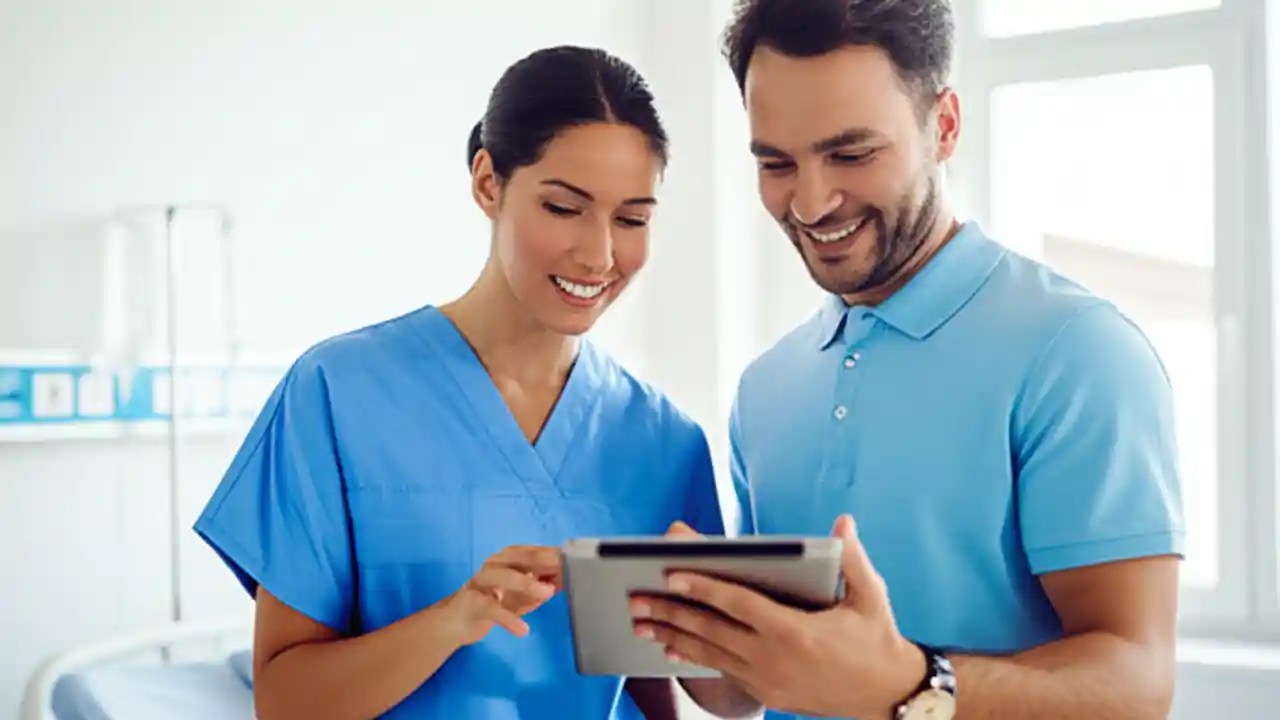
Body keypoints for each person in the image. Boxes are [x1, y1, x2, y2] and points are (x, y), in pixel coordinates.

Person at [630, 2, 1185, 719]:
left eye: (852, 154)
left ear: (943, 126)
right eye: (776, 163)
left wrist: (914, 686)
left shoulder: (1077, 351)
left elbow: (1136, 685)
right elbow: (752, 690)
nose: (810, 201)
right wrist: (694, 631)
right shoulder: (766, 386)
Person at [194, 45, 746, 720]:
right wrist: (456, 618)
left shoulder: (664, 440)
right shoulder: (337, 393)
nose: (600, 254)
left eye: (632, 219)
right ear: (488, 182)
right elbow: (286, 702)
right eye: (564, 208)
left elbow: (667, 690)